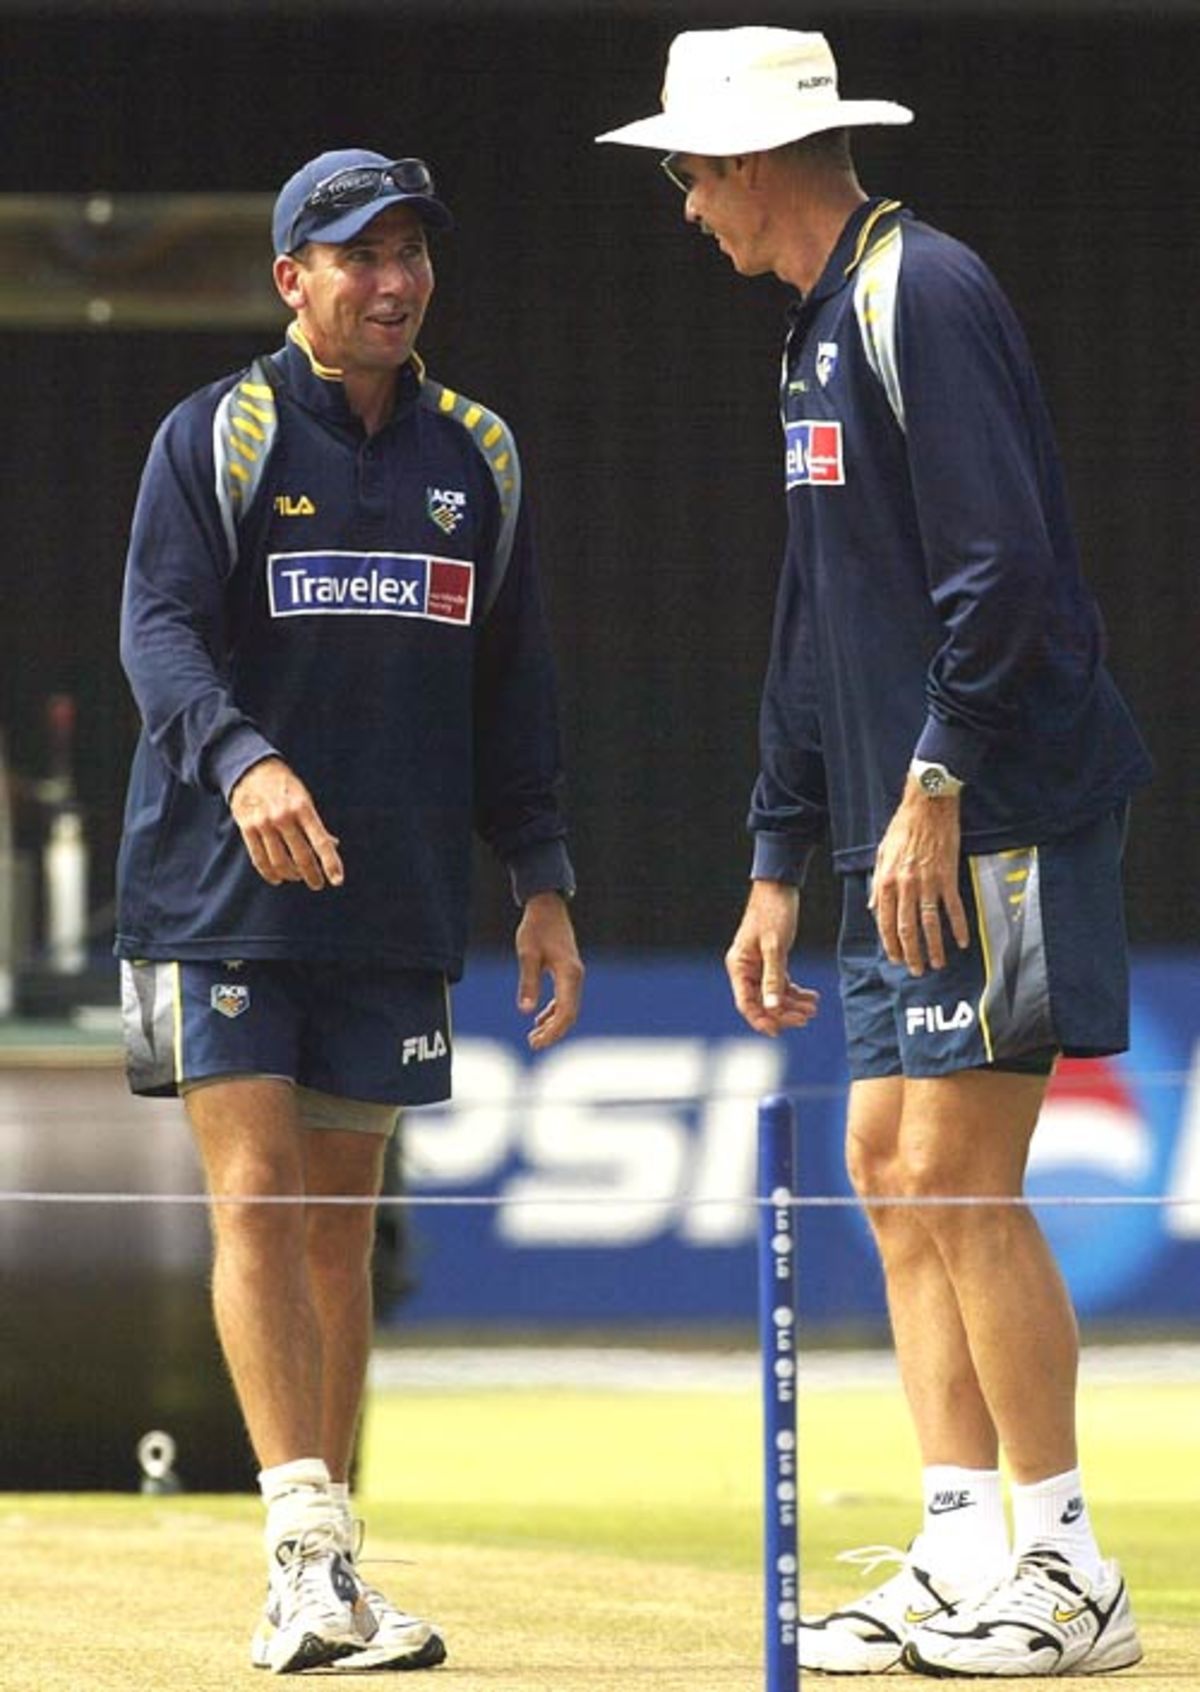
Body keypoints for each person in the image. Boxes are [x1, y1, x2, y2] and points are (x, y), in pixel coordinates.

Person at [599, 28, 1151, 1680]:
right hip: (881, 829)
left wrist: (936, 780)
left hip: (996, 807)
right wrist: (782, 854)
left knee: (965, 1177)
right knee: (894, 1172)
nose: (685, 204)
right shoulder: (812, 332)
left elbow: (1010, 570)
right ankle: (961, 1544)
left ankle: (1069, 1573)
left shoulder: (927, 294)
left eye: (692, 171)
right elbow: (812, 616)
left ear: (758, 160)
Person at [115, 147, 583, 1676]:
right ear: (292, 280)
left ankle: (338, 1576)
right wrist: (244, 761)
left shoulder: (481, 458)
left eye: (411, 254)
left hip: (393, 904)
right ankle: (296, 1561)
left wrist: (543, 881)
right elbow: (159, 634)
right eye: (357, 255)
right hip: (214, 891)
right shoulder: (220, 436)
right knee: (255, 1199)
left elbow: (514, 689)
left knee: (336, 1228)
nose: (393, 281)